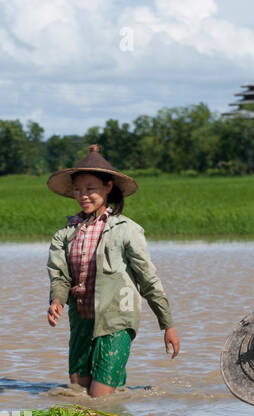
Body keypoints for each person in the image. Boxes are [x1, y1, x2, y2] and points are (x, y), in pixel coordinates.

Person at [45, 145, 179, 396]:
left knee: (98, 398)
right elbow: (60, 275)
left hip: (116, 318)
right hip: (82, 320)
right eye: (78, 190)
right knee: (78, 392)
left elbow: (148, 279)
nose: (83, 195)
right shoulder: (65, 234)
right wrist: (57, 301)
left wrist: (167, 324)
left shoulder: (126, 230)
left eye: (90, 189)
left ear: (108, 188)